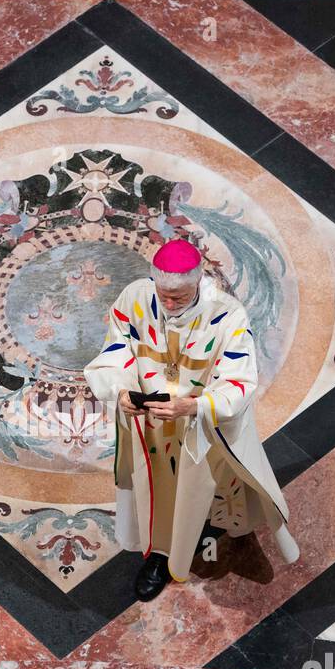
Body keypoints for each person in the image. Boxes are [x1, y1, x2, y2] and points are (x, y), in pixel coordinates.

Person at [82, 239, 299, 601]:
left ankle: (210, 532)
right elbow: (116, 348)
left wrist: (193, 406)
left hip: (202, 425)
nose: (168, 305)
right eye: (163, 295)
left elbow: (240, 380)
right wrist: (119, 391)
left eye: (178, 298)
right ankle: (163, 557)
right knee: (160, 494)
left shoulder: (227, 315)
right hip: (149, 425)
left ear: (198, 282)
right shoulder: (135, 298)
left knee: (207, 490)